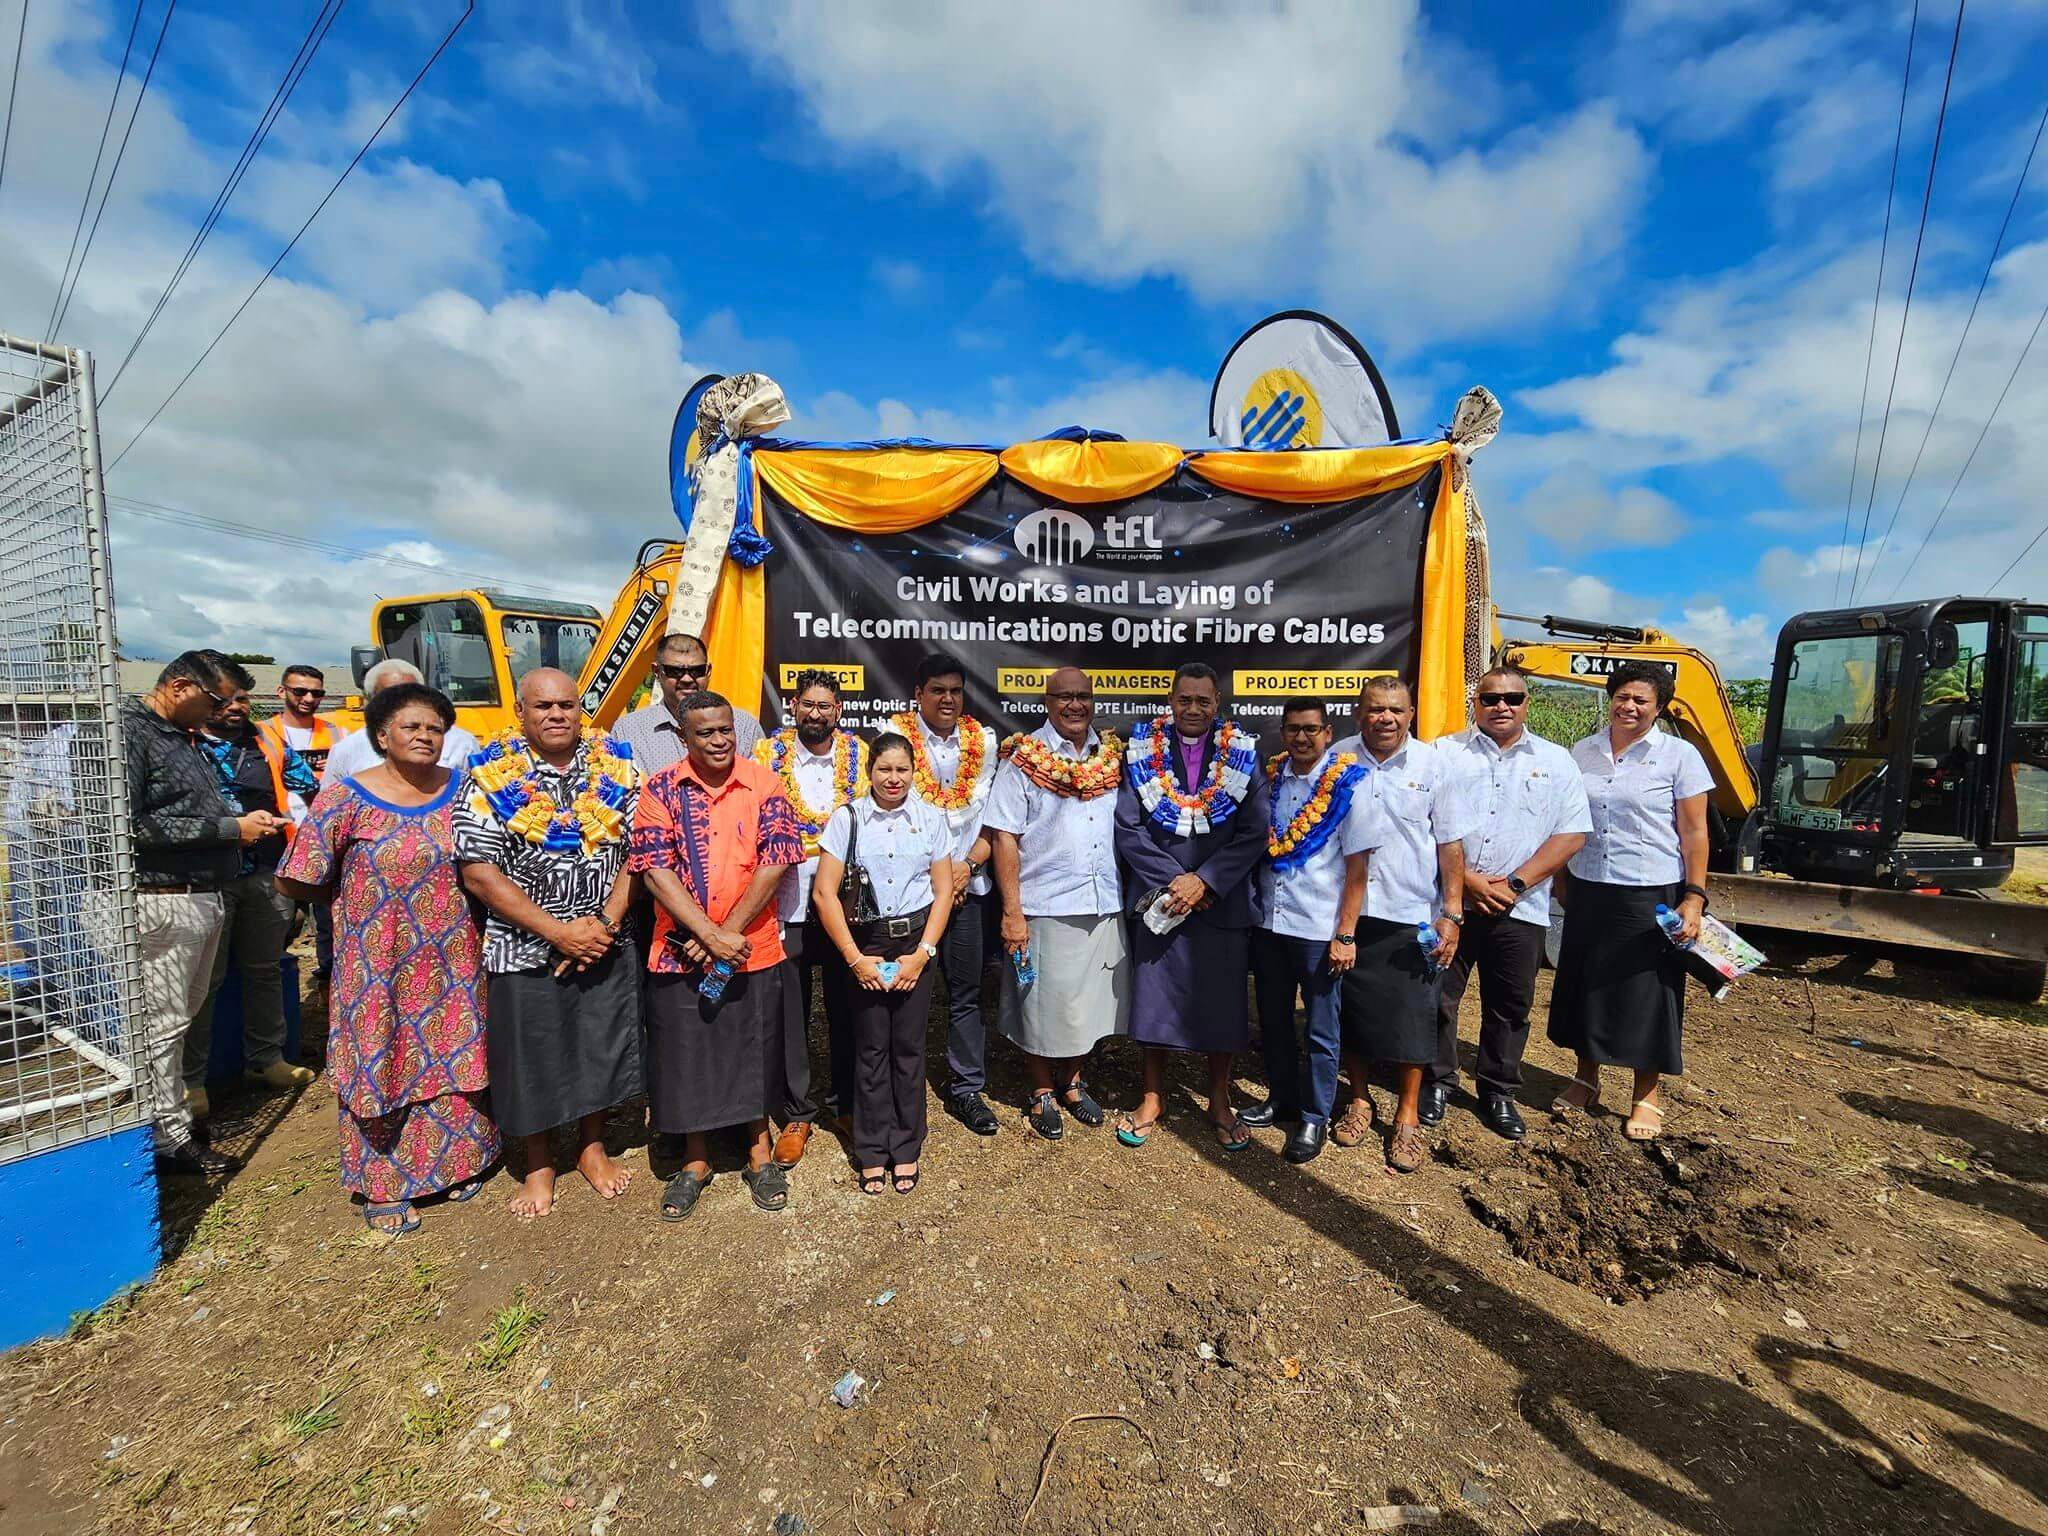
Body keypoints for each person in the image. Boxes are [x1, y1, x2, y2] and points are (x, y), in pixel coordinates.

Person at [276, 683, 498, 1234]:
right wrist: (358, 908)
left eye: (433, 728)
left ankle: (462, 1161)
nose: (424, 736)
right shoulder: (346, 798)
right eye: (411, 726)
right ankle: (385, 1183)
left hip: (455, 959)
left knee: (458, 1052)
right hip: (378, 963)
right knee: (383, 1054)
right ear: (381, 736)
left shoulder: (466, 791)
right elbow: (297, 875)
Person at [454, 668, 642, 1219]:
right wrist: (559, 932)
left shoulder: (619, 766)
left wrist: (603, 924)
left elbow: (641, 851)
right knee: (531, 1051)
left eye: (567, 704)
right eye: (544, 706)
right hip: (525, 942)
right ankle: (538, 1163)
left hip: (605, 936)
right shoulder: (488, 774)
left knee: (598, 1041)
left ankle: (591, 1148)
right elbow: (480, 874)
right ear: (521, 712)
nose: (557, 715)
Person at [630, 692, 804, 1220]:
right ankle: (696, 1158)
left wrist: (726, 935)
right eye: (706, 733)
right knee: (689, 1054)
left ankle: (757, 1153)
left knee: (753, 1048)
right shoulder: (660, 789)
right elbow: (654, 868)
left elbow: (777, 860)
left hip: (752, 947)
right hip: (680, 951)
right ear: (683, 739)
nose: (720, 740)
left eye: (726, 729)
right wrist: (706, 935)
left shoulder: (764, 783)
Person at [122, 651, 289, 1176]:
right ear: (178, 687)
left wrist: (238, 823)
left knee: (179, 1018)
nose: (224, 711)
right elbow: (122, 826)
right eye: (216, 700)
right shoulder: (126, 735)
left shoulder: (179, 736)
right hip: (159, 900)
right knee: (162, 1024)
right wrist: (228, 831)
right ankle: (166, 1139)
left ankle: (172, 1124)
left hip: (198, 896)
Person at [1547, 660, 1714, 1141]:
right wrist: (1561, 876)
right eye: (1623, 696)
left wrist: (1694, 897)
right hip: (1588, 885)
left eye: (1642, 699)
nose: (1630, 706)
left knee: (1647, 993)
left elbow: (1695, 831)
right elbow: (1566, 818)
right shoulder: (1583, 752)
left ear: (1660, 707)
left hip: (1650, 890)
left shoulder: (1679, 757)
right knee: (1587, 984)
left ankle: (1646, 1095)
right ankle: (1586, 1077)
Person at [1112, 662, 1269, 1151]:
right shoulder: (1139, 751)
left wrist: (1205, 882)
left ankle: (1219, 1099)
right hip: (1162, 900)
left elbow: (1255, 831)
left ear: (1217, 704)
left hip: (1219, 901)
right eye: (1185, 699)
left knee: (1222, 1006)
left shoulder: (1245, 752)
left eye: (1203, 700)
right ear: (1171, 700)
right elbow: (1128, 828)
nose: (1194, 709)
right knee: (1155, 1001)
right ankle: (1153, 1095)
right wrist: (1174, 882)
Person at [1435, 666, 1591, 1140]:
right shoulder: (1444, 753)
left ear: (1527, 703)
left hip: (1519, 907)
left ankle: (1498, 1090)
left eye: (1513, 697)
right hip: (1455, 902)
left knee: (1510, 1005)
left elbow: (1572, 832)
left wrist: (1516, 884)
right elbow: (1424, 825)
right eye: (1491, 698)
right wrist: (1470, 882)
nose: (1502, 706)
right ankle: (1437, 1081)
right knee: (1439, 998)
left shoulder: (1557, 760)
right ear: (1475, 703)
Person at [1330, 676, 1468, 1173]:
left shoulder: (1436, 765)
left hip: (1414, 914)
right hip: (1347, 913)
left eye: (1395, 710)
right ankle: (1360, 1099)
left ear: (1411, 714)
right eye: (1375, 709)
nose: (1385, 718)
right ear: (1357, 712)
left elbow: (1450, 844)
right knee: (1354, 1013)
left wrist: (1451, 912)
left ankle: (1407, 1116)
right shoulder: (1338, 759)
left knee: (1414, 1016)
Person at [984, 667, 1128, 1139]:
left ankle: (1073, 1079)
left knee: (1086, 1001)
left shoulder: (1111, 757)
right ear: (1046, 702)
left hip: (1101, 899)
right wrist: (1012, 911)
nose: (1074, 705)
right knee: (1040, 1002)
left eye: (1082, 696)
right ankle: (1042, 1088)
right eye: (1064, 697)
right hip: (1044, 902)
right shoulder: (1023, 760)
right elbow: (1004, 837)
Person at [812, 734, 956, 1195]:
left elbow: (943, 892)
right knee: (871, 1048)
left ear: (915, 772)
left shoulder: (932, 820)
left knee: (910, 1049)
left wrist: (923, 954)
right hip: (866, 944)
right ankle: (873, 1149)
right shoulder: (847, 819)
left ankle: (907, 1146)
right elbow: (824, 893)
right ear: (869, 771)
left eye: (903, 770)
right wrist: (855, 960)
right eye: (884, 770)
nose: (893, 779)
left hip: (915, 942)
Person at [183, 666, 319, 1115]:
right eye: (226, 699)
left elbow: (311, 785)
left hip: (266, 872)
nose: (237, 707)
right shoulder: (184, 745)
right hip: (208, 877)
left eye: (242, 699)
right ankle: (192, 1082)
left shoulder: (266, 742)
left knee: (265, 969)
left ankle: (266, 1061)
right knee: (205, 981)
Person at [1247, 698, 1377, 1165]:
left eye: (1310, 729)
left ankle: (1315, 1115)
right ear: (1282, 733)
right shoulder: (1270, 778)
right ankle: (1281, 1097)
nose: (1301, 738)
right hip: (1269, 923)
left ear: (1327, 733)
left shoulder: (1349, 786)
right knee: (1275, 1020)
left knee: (1322, 1027)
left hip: (1318, 928)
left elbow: (1358, 869)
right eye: (1292, 730)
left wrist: (1345, 933)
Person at [754, 671, 868, 1166]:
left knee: (848, 1007)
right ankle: (797, 1111)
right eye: (808, 704)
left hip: (845, 907)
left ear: (838, 709)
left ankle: (846, 1103)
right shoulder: (765, 758)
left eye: (826, 705)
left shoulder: (860, 757)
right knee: (792, 1012)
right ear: (794, 707)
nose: (816, 713)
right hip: (789, 905)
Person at [891, 652, 1001, 1136]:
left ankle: (965, 1088)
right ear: (918, 694)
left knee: (966, 994)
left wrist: (965, 869)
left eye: (956, 690)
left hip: (968, 886)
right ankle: (899, 1089)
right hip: (913, 892)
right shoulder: (892, 740)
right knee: (902, 992)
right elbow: (891, 814)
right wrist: (941, 878)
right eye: (937, 690)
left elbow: (995, 820)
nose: (948, 699)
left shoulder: (985, 742)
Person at [614, 632, 764, 775]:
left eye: (696, 671)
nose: (686, 679)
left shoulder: (744, 726)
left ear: (708, 671)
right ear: (656, 671)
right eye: (675, 671)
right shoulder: (628, 730)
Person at [322, 659, 482, 789]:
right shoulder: (346, 750)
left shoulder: (463, 743)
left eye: (409, 694)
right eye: (390, 696)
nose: (401, 702)